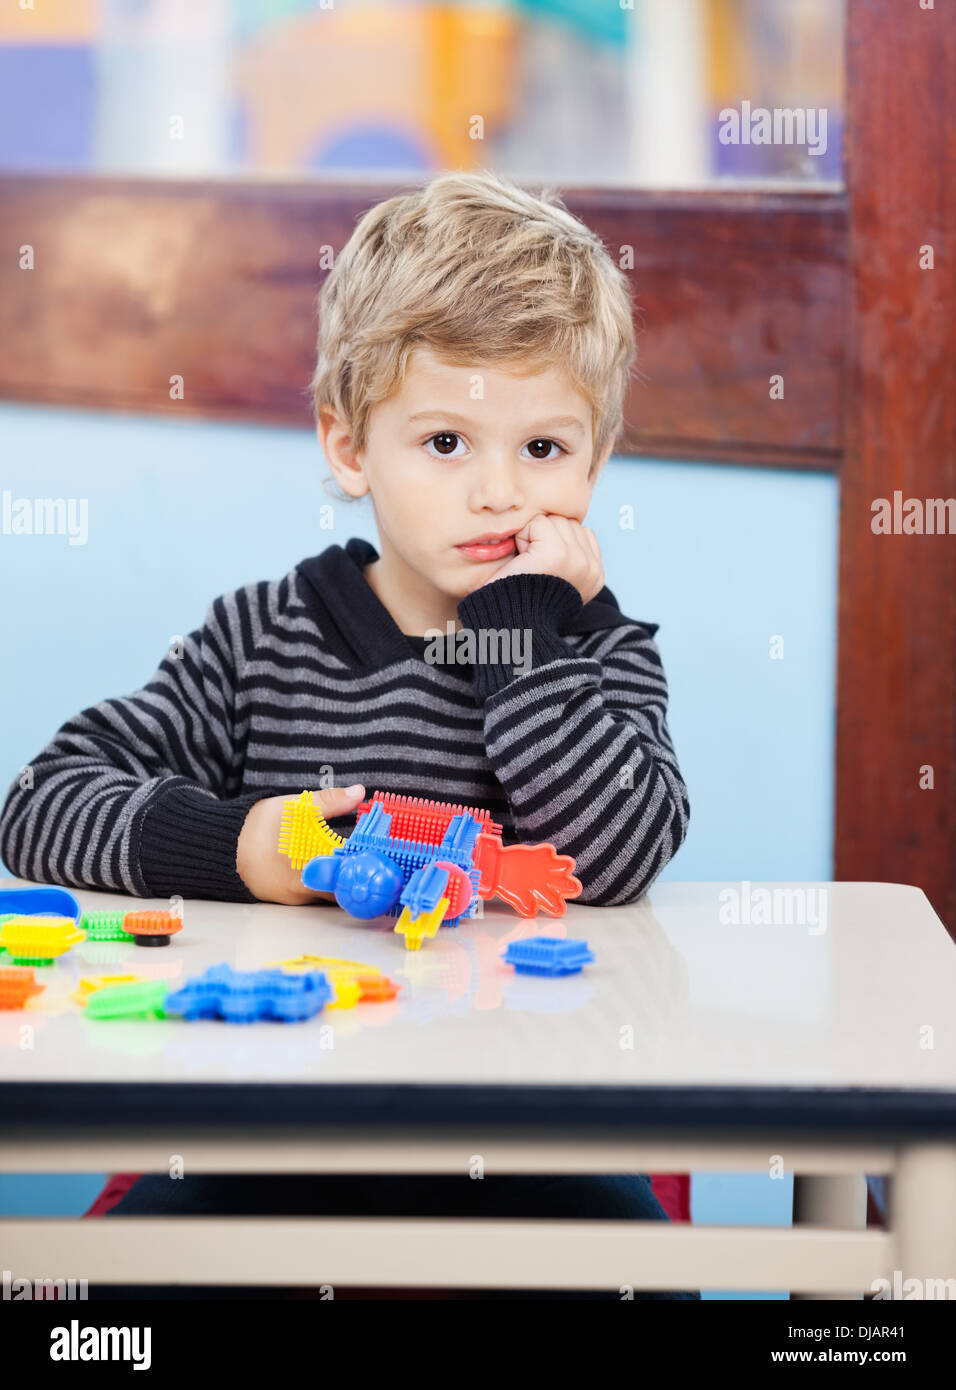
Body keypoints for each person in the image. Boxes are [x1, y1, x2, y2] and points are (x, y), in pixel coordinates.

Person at [0, 169, 695, 1299]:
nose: (495, 496)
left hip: (522, 1140)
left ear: (596, 461)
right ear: (346, 446)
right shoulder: (261, 639)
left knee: (647, 1286)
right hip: (273, 1128)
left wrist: (519, 637)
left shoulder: (599, 651)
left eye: (541, 450)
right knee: (101, 1291)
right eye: (443, 443)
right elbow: (40, 798)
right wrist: (239, 847)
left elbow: (615, 857)